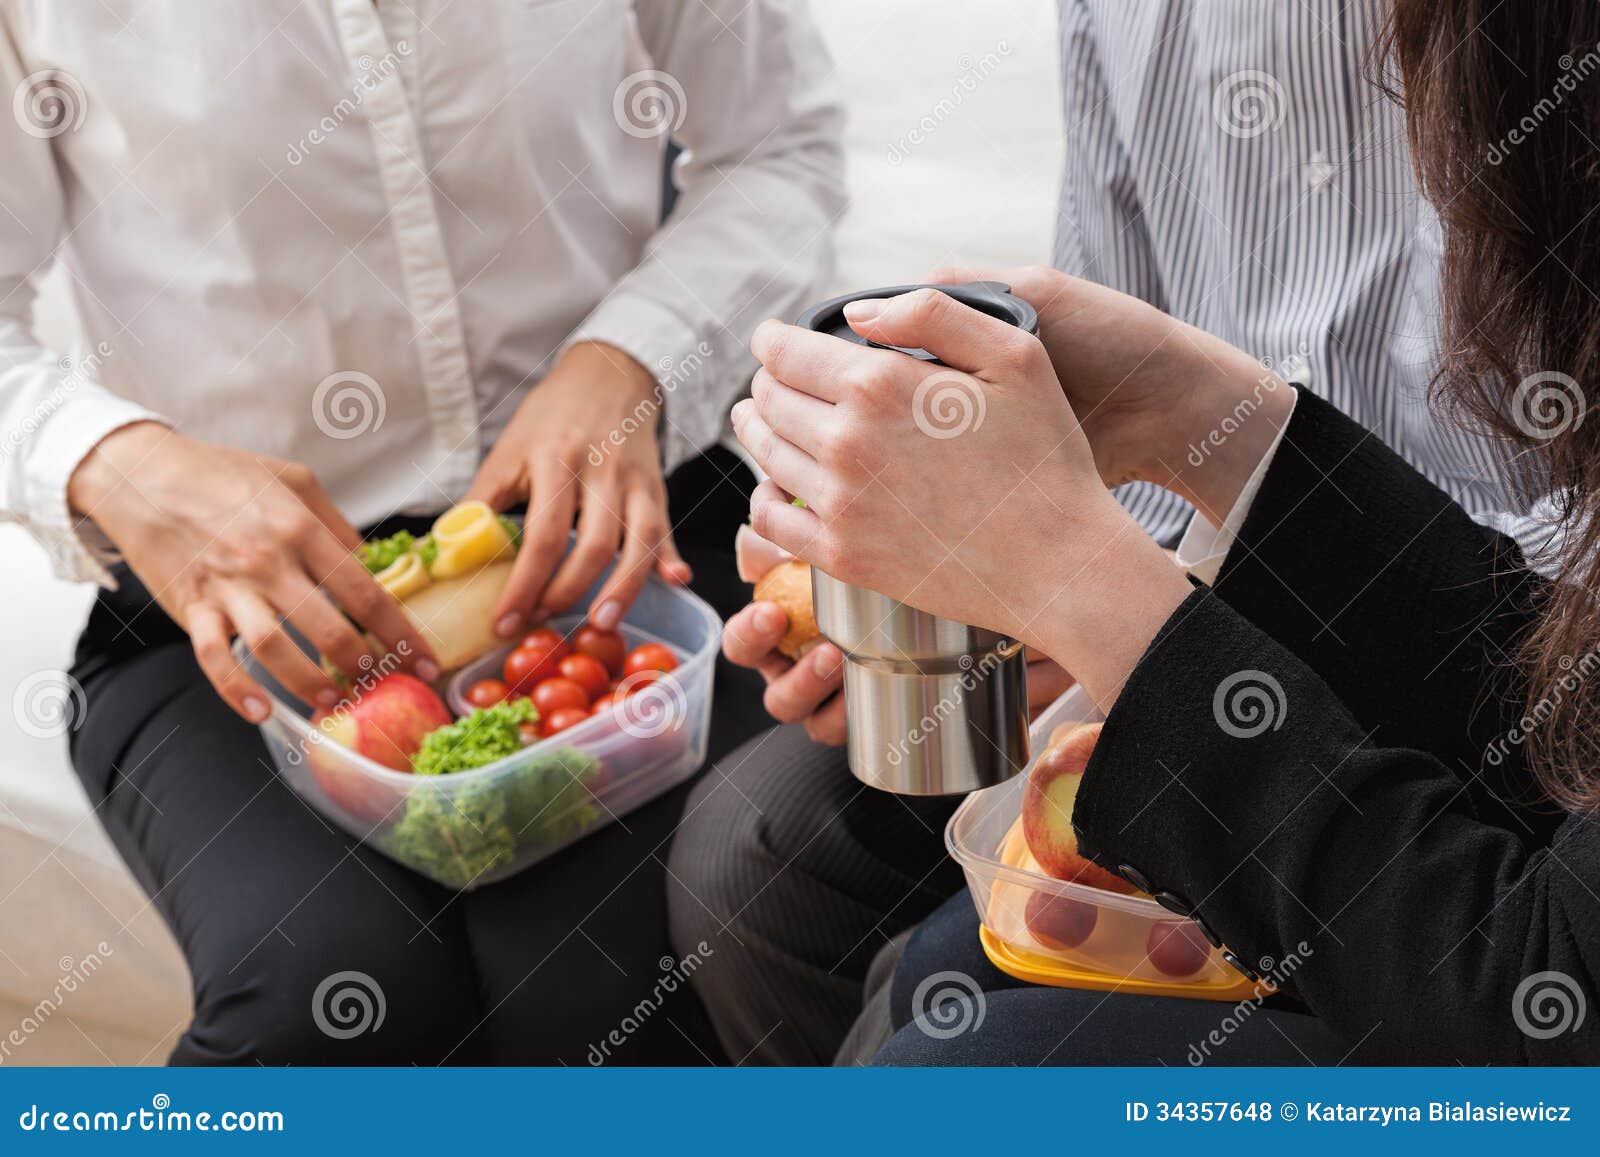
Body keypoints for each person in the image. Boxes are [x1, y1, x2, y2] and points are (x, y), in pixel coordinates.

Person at [667, 0, 1548, 1065]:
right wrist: (1092, 529)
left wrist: (1099, 600)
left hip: (1482, 706)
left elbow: (1541, 981)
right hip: (1283, 603)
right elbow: (1105, 441)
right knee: (749, 850)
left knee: (939, 1028)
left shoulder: (1525, 55)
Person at [1, 2, 842, 1063]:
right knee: (322, 1012)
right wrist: (115, 461)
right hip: (225, 603)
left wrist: (634, 355)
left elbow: (777, 146)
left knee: (608, 995)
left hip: (627, 538)